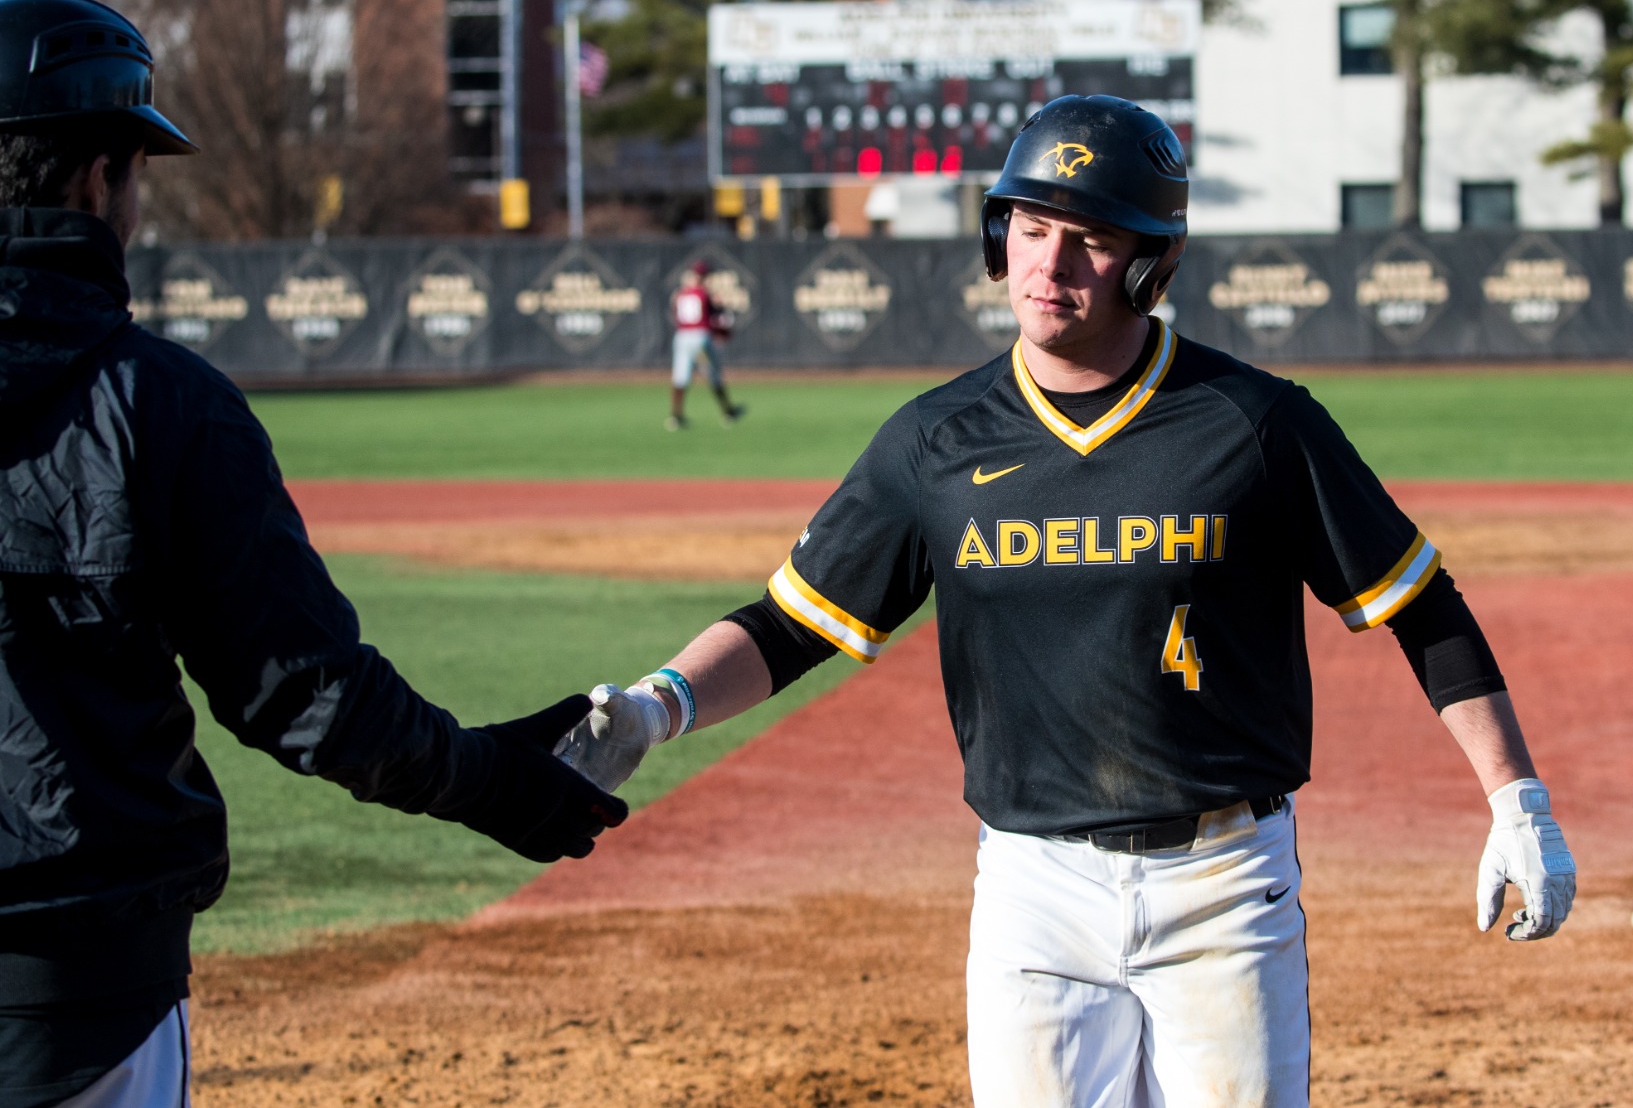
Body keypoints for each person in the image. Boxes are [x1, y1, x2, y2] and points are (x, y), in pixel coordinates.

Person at [558, 96, 1576, 1105]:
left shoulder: (1254, 424)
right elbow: (794, 620)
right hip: (1030, 888)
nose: (1047, 265)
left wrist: (1513, 797)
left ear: (1150, 262)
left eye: (1087, 240)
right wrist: (658, 703)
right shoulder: (934, 440)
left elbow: (1416, 601)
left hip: (1222, 883)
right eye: (1028, 228)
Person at [0, 0, 627, 1108]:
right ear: (100, 178)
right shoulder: (164, 405)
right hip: (81, 982)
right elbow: (304, 697)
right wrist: (494, 783)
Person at [666, 259, 743, 430]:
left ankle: (675, 416)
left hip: (682, 336)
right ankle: (728, 411)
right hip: (700, 337)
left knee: (680, 377)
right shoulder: (705, 293)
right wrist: (721, 330)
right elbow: (717, 318)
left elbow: (675, 316)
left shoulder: (680, 293)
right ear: (705, 276)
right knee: (713, 373)